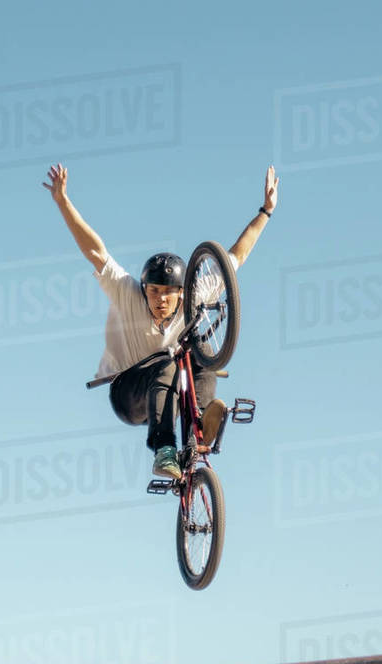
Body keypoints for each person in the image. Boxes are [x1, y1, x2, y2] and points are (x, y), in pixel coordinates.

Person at [42, 163, 278, 478]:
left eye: (168, 293)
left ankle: (200, 430)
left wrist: (266, 211)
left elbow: (237, 255)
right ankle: (164, 449)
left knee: (199, 351)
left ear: (182, 293)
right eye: (154, 291)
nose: (160, 299)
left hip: (170, 392)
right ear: (144, 289)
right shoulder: (128, 293)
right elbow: (96, 252)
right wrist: (62, 201)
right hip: (129, 391)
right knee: (168, 362)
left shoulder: (195, 294)